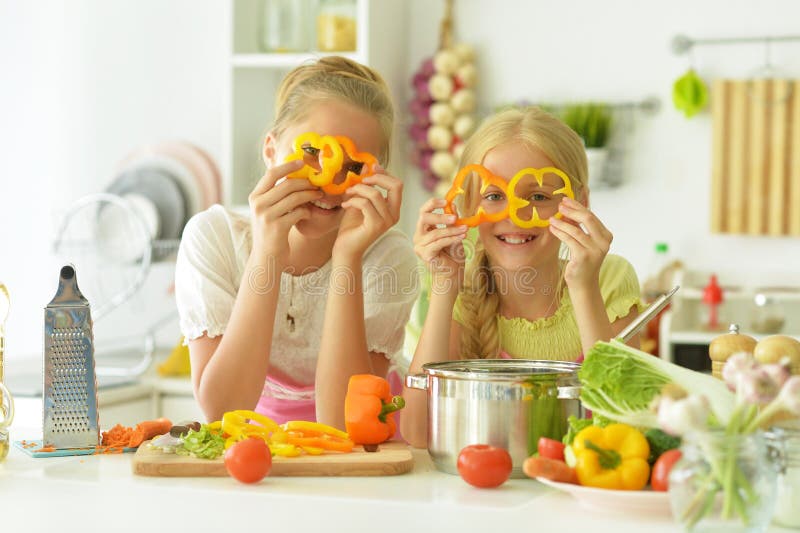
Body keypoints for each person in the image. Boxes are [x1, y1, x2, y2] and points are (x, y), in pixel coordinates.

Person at [175, 56, 418, 428]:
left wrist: (347, 257)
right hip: (261, 450)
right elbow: (221, 411)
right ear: (271, 150)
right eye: (312, 153)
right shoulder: (214, 239)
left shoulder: (386, 256)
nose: (328, 181)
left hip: (362, 454)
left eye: (352, 168)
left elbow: (343, 423)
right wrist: (268, 253)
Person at [402, 106, 643, 447]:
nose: (515, 216)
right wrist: (444, 288)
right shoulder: (458, 293)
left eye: (539, 196)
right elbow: (418, 432)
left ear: (580, 203)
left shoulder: (609, 281)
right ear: (467, 206)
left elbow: (625, 425)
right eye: (494, 196)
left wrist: (584, 286)